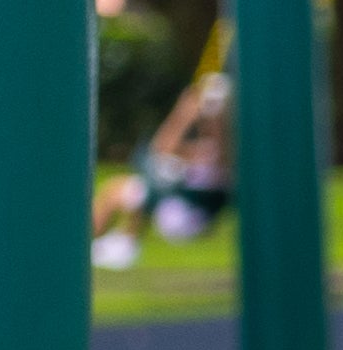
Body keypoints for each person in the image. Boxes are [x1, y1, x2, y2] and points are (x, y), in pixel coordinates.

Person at [90, 70, 235, 272]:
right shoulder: (203, 148)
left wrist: (212, 114)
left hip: (188, 213)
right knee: (119, 188)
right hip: (174, 201)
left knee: (141, 188)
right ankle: (121, 242)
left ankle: (124, 245)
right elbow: (162, 147)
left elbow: (222, 155)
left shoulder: (226, 151)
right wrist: (184, 112)